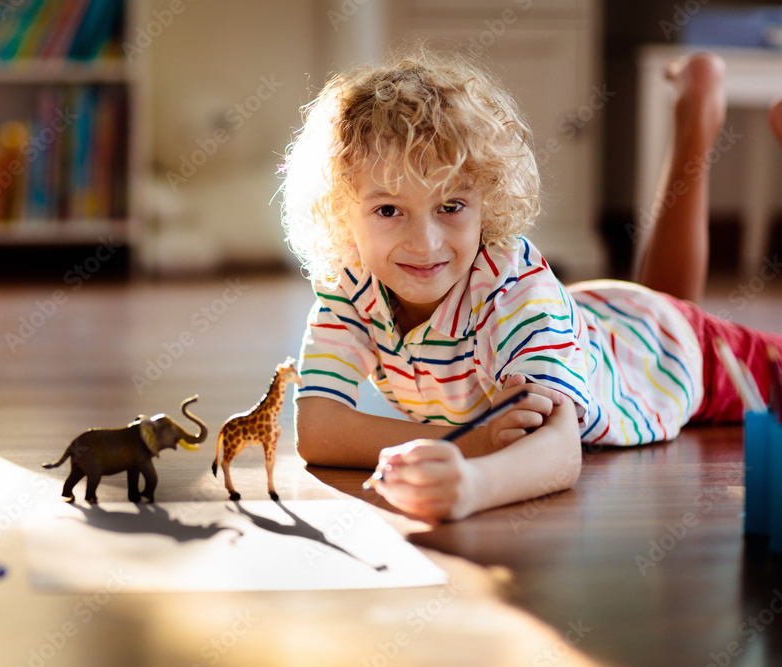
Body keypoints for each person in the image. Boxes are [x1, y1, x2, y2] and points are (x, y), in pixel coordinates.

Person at [279, 49, 782, 522]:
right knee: (667, 302)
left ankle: (697, 110)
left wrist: (473, 483)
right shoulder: (350, 285)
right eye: (389, 210)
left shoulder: (512, 289)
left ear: (487, 203)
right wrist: (467, 442)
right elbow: (318, 429)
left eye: (450, 206)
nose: (425, 243)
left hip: (670, 351)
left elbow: (560, 450)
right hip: (601, 327)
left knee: (678, 318)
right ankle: (696, 106)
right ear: (345, 216)